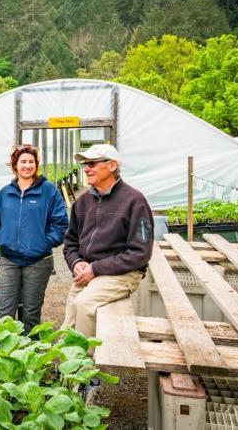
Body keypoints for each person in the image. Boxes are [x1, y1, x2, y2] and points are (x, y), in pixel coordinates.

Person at [62, 143, 153, 338]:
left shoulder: (135, 201)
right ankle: (66, 361)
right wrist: (76, 262)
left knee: (85, 304)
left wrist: (96, 269)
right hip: (89, 271)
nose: (86, 169)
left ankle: (85, 363)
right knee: (72, 307)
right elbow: (70, 243)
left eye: (92, 163)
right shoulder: (82, 202)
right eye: (85, 164)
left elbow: (140, 253)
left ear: (112, 166)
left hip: (123, 273)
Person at [0, 144, 68, 335]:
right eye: (23, 161)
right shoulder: (5, 193)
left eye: (31, 162)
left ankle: (28, 356)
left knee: (31, 312)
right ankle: (4, 355)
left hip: (38, 261)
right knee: (4, 312)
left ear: (36, 165)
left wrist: (44, 243)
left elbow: (61, 223)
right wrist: (1, 239)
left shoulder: (48, 191)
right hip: (9, 260)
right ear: (15, 165)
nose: (27, 165)